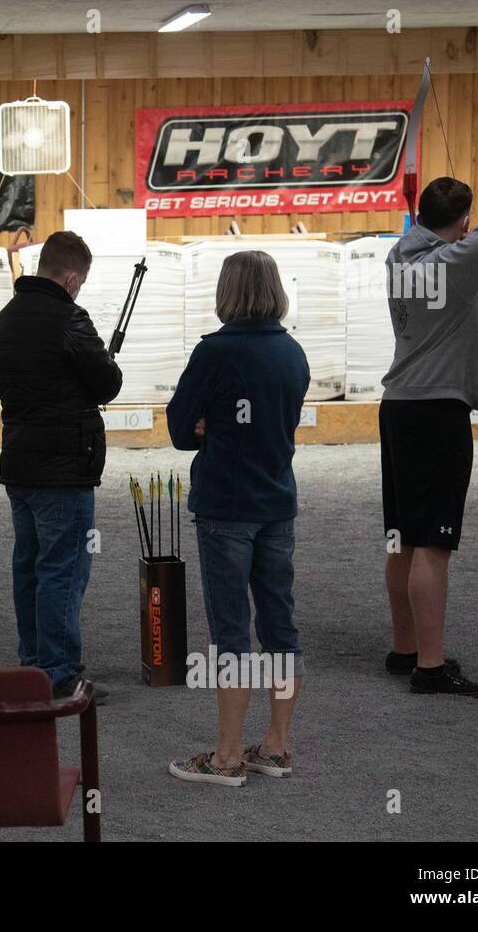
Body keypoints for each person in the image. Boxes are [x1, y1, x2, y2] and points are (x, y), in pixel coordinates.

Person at [166, 250, 310, 787]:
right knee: (280, 626)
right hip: (277, 503)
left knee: (231, 632)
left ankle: (226, 757)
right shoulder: (292, 351)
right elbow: (281, 422)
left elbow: (181, 429)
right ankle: (275, 746)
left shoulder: (214, 352)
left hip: (226, 505)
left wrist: (211, 424)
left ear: (227, 292)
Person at [380, 177, 478, 698]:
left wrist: (446, 232)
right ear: (461, 221)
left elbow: (433, 236)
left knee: (403, 538)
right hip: (437, 413)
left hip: (398, 409)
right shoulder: (454, 265)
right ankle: (431, 669)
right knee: (434, 544)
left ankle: (405, 649)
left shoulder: (400, 257)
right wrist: (465, 235)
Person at [0, 230, 122, 701]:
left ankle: (34, 665)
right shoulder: (70, 318)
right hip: (63, 469)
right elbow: (107, 384)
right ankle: (61, 673)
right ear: (70, 278)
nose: (79, 289)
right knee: (63, 570)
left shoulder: (4, 318)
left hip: (19, 463)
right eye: (80, 282)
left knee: (29, 566)